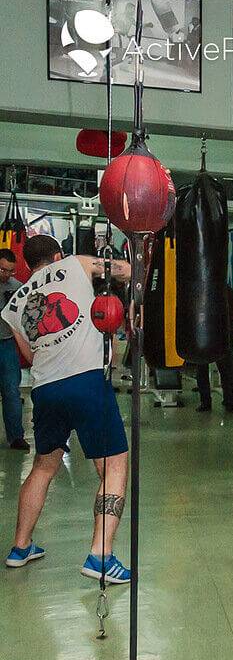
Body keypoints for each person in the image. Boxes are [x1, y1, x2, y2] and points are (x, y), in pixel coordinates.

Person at [1, 235, 132, 582]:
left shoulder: (14, 303)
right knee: (114, 466)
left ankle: (20, 547)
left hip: (45, 389)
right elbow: (125, 270)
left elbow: (29, 356)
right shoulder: (75, 263)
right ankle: (100, 556)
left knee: (43, 467)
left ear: (27, 265)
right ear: (58, 254)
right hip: (86, 381)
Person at [194, 285, 233, 413]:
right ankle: (227, 402)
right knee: (223, 371)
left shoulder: (205, 291)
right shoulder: (224, 290)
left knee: (213, 370)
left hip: (211, 335)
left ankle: (209, 402)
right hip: (217, 335)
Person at [0, 248, 28, 450]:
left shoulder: (18, 287)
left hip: (7, 344)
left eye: (10, 271)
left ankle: (16, 437)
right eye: (2, 270)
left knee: (11, 390)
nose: (6, 275)